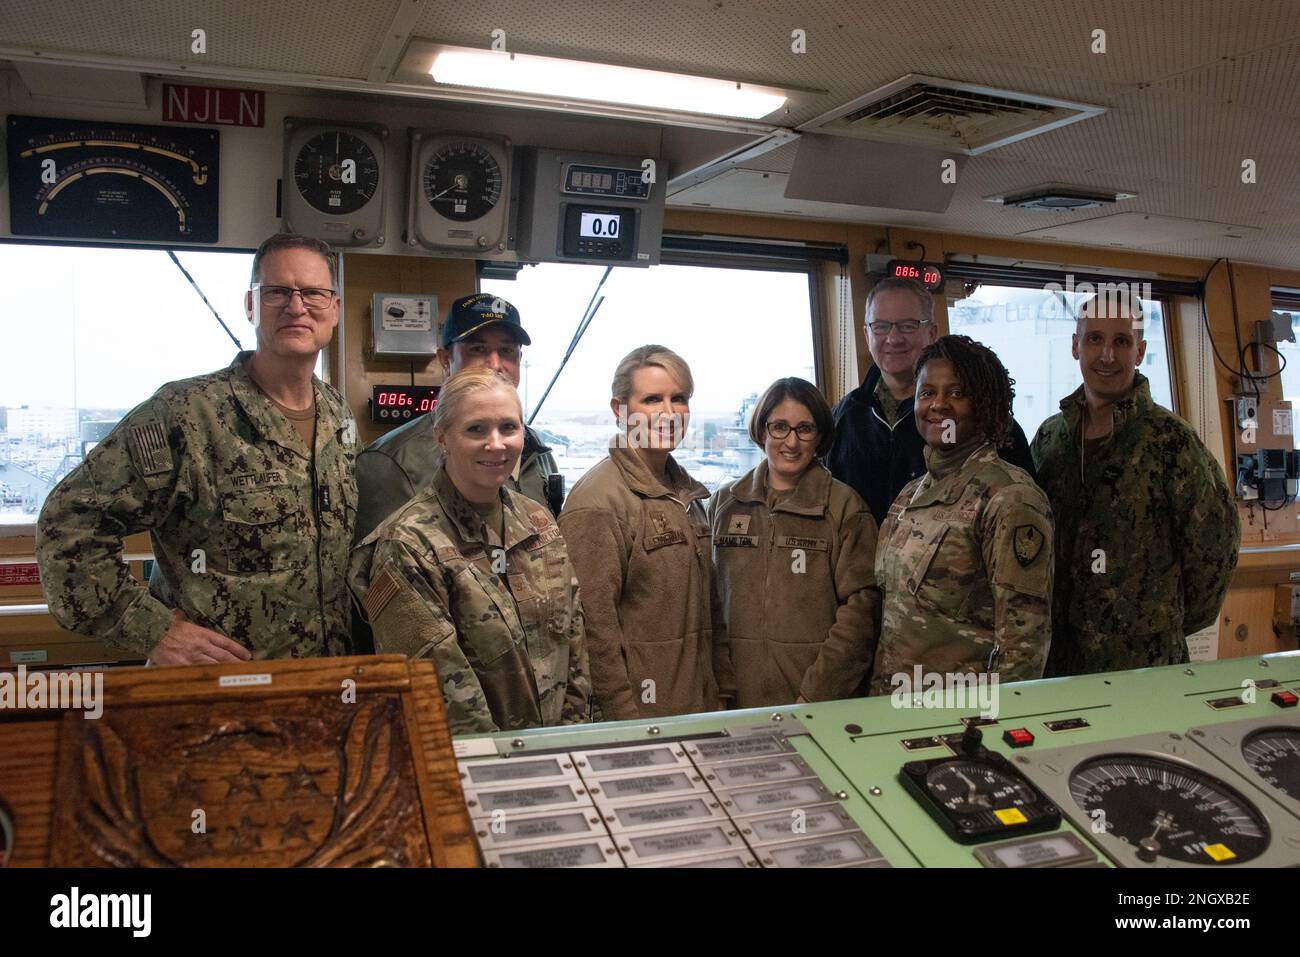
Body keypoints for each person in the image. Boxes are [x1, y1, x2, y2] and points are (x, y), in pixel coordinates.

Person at [35, 233, 358, 664]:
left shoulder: (338, 415)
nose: (296, 306)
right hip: (219, 688)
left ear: (334, 308)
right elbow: (69, 522)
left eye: (313, 293)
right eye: (278, 292)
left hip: (322, 683)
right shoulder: (187, 413)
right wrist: (153, 630)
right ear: (250, 305)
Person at [348, 367, 590, 734]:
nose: (496, 444)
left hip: (555, 750)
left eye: (509, 428)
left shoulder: (538, 521)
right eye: (476, 429)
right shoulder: (409, 544)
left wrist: (568, 740)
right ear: (442, 438)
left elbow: (573, 646)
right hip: (474, 764)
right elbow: (441, 694)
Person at [1031, 291, 1240, 675]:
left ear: (1140, 351)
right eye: (1094, 339)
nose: (1107, 355)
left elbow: (1214, 553)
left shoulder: (1171, 442)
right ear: (1075, 346)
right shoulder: (1050, 439)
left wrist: (1156, 622)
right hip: (1058, 659)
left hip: (1144, 663)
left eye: (1121, 341)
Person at [869, 335, 1053, 694]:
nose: (938, 405)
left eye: (956, 393)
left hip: (960, 720)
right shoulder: (910, 494)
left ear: (985, 404)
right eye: (927, 393)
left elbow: (1025, 646)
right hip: (893, 710)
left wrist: (989, 729)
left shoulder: (1010, 497)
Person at [559, 345, 735, 720]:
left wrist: (723, 689)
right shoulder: (598, 502)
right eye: (652, 399)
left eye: (680, 399)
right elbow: (594, 633)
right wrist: (625, 720)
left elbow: (711, 610)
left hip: (698, 706)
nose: (669, 413)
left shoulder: (687, 495)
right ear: (619, 410)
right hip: (643, 717)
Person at [709, 377, 880, 707]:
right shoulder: (723, 505)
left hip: (815, 702)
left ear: (819, 437)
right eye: (780, 427)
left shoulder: (845, 508)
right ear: (762, 431)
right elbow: (709, 608)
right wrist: (720, 689)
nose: (792, 441)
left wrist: (816, 694)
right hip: (735, 701)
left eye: (805, 428)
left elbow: (861, 614)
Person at [827, 277, 1037, 527]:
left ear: (932, 332)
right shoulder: (844, 417)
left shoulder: (984, 419)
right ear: (866, 334)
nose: (893, 339)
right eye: (881, 326)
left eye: (908, 326)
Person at [354, 293, 560, 542]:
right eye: (478, 349)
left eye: (506, 351)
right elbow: (374, 570)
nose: (495, 364)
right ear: (445, 359)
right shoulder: (391, 462)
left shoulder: (536, 451)